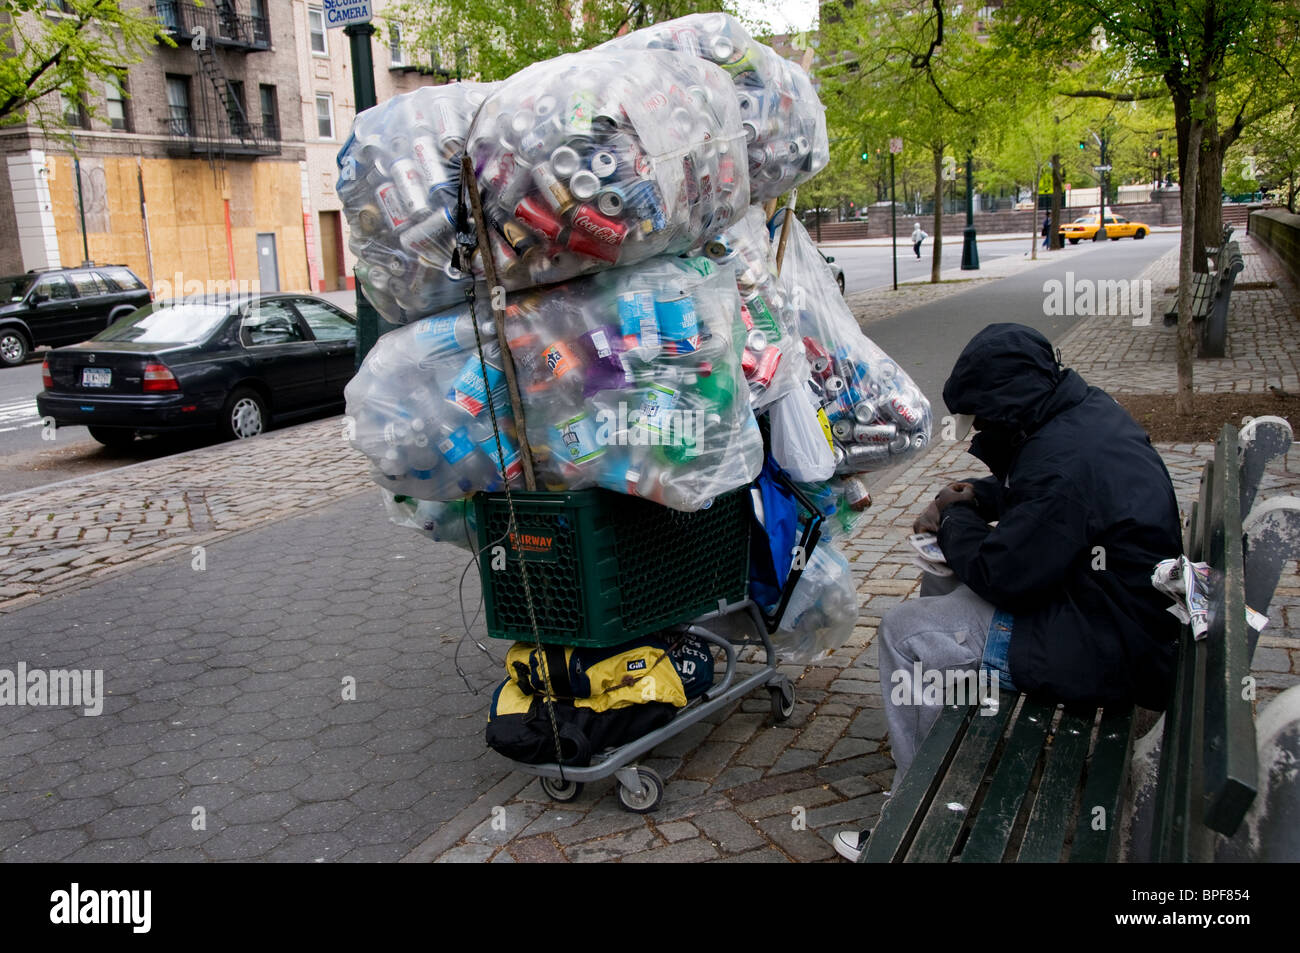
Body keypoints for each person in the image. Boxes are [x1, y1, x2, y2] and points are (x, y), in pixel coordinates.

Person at [833, 323, 1182, 862]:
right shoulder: (1083, 415)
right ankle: (940, 745)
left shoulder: (1062, 456)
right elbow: (1048, 499)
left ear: (1008, 403)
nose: (979, 427)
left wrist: (953, 518)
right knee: (941, 595)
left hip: (1105, 645)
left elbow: (1006, 574)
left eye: (983, 414)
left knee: (904, 633)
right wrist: (979, 495)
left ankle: (916, 814)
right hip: (1116, 614)